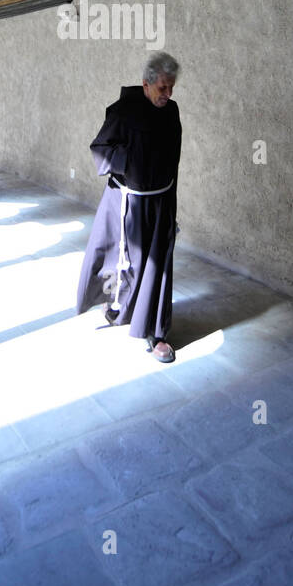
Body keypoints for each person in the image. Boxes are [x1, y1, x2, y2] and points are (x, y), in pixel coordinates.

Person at [76, 53, 181, 361]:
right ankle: (116, 307)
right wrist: (131, 160)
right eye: (162, 88)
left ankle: (158, 333)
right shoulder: (123, 112)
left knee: (158, 268)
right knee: (120, 261)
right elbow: (100, 148)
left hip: (160, 202)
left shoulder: (172, 112)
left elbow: (173, 160)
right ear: (145, 83)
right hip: (127, 202)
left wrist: (171, 204)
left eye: (171, 87)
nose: (168, 95)